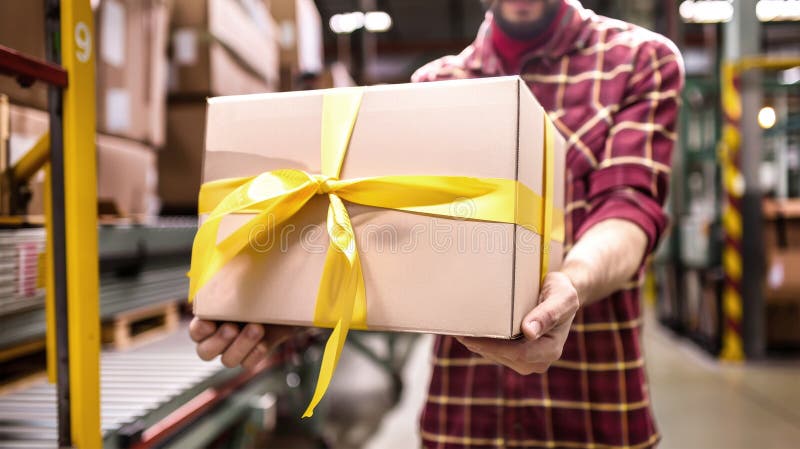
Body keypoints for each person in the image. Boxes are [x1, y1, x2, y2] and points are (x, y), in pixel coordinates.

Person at [189, 0, 684, 447]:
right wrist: (286, 302)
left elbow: (628, 207)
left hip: (593, 408)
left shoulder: (640, 60)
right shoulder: (433, 86)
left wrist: (569, 283)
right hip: (464, 417)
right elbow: (392, 243)